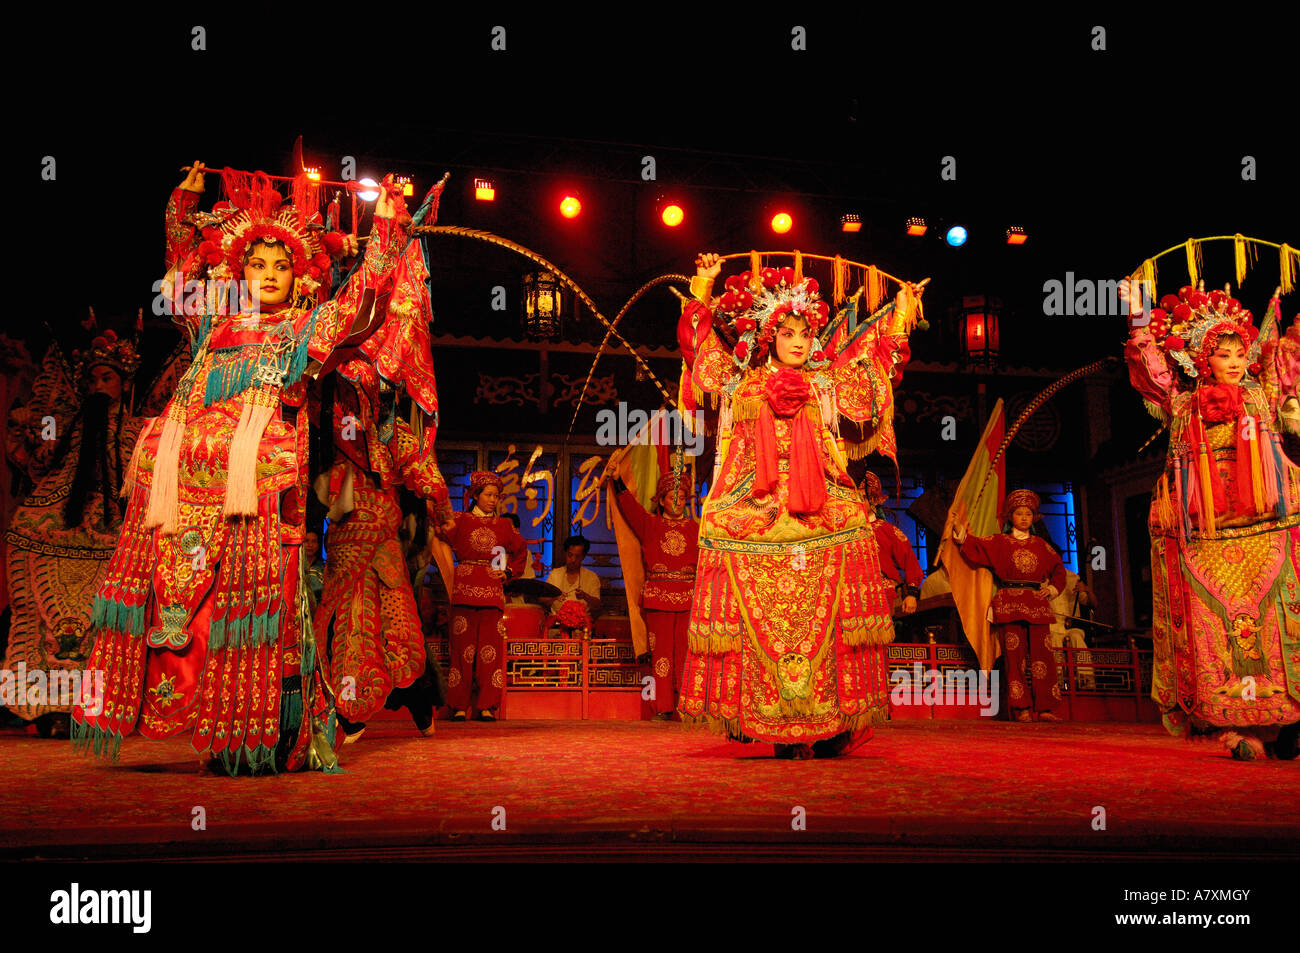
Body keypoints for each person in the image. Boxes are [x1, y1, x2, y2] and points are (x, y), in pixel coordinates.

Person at [70, 161, 413, 776]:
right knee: (177, 609)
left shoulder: (305, 332)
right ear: (237, 270)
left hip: (259, 503)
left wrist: (385, 224)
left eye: (283, 264)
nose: (270, 275)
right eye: (258, 264)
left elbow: (366, 301)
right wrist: (181, 205)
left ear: (301, 273)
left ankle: (262, 738)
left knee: (258, 617)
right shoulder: (208, 325)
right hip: (180, 498)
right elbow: (176, 282)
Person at [674, 252, 920, 758]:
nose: (799, 343)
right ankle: (762, 717)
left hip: (817, 504)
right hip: (758, 503)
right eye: (787, 334)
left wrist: (900, 315)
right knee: (722, 531)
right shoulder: (744, 383)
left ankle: (831, 719)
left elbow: (877, 377)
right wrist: (702, 286)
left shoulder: (826, 383)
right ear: (768, 337)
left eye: (805, 334)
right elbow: (701, 352)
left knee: (854, 524)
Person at [1127, 282, 1300, 760]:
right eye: (1224, 355)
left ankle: (1281, 721)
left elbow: (1285, 356)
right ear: (1205, 358)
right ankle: (1236, 728)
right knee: (1218, 627)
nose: (1236, 362)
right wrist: (1139, 317)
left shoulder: (1262, 394)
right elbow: (1150, 369)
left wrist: (1286, 319)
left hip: (1269, 527)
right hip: (1204, 533)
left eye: (1239, 353)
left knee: (1276, 621)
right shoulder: (1184, 404)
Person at [312, 202, 453, 743]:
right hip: (355, 515)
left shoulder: (375, 389)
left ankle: (360, 707)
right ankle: (397, 700)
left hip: (369, 510)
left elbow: (411, 456)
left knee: (362, 612)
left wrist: (437, 508)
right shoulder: (336, 383)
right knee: (373, 612)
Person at [3, 330, 144, 737]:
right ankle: (44, 706)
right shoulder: (64, 425)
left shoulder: (138, 431)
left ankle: (99, 706)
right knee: (43, 618)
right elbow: (37, 461)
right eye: (93, 380)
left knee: (104, 623)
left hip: (113, 533)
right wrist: (32, 426)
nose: (98, 387)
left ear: (125, 383)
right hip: (52, 527)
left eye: (107, 379)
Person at [954, 490, 1066, 722]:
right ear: (1010, 517)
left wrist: (1053, 589)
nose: (1024, 518)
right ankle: (1021, 708)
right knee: (1014, 659)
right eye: (1019, 513)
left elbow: (1059, 571)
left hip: (1036, 603)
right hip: (1009, 602)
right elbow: (975, 546)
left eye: (1028, 514)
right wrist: (961, 533)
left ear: (1034, 518)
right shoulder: (1000, 542)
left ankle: (1045, 708)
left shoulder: (1042, 545)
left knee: (1042, 657)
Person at [603, 461, 699, 719]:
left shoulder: (696, 528)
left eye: (681, 498)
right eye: (672, 497)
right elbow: (629, 506)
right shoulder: (649, 525)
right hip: (658, 600)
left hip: (689, 599)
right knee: (662, 657)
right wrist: (617, 479)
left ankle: (686, 707)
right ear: (661, 500)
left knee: (685, 655)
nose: (677, 502)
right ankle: (664, 707)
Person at [436, 471, 526, 721]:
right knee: (462, 652)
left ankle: (487, 706)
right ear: (475, 495)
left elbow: (521, 550)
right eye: (488, 495)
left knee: (490, 653)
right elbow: (437, 528)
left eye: (496, 496)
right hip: (463, 588)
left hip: (491, 591)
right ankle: (459, 706)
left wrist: (508, 572)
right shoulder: (460, 520)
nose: (492, 499)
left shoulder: (504, 525)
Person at [861, 471, 923, 617]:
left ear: (875, 500)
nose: (857, 503)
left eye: (863, 498)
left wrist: (911, 594)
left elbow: (910, 561)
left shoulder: (886, 530)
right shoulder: (842, 532)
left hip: (880, 594)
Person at [545, 536, 602, 619]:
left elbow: (597, 605)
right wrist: (555, 597)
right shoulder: (555, 574)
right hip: (557, 621)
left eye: (577, 556)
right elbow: (542, 599)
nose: (573, 560)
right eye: (570, 555)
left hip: (582, 623)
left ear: (583, 557)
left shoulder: (591, 577)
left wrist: (585, 596)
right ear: (565, 553)